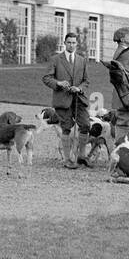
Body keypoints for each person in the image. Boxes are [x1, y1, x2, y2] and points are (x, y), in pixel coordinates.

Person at [43, 31, 91, 168]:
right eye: (69, 42)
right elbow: (46, 78)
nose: (71, 45)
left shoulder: (81, 60)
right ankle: (67, 159)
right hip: (62, 100)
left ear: (77, 44)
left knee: (86, 125)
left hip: (79, 99)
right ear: (64, 43)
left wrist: (80, 88)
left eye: (74, 42)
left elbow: (86, 81)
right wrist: (58, 83)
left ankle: (82, 156)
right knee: (66, 128)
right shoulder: (56, 59)